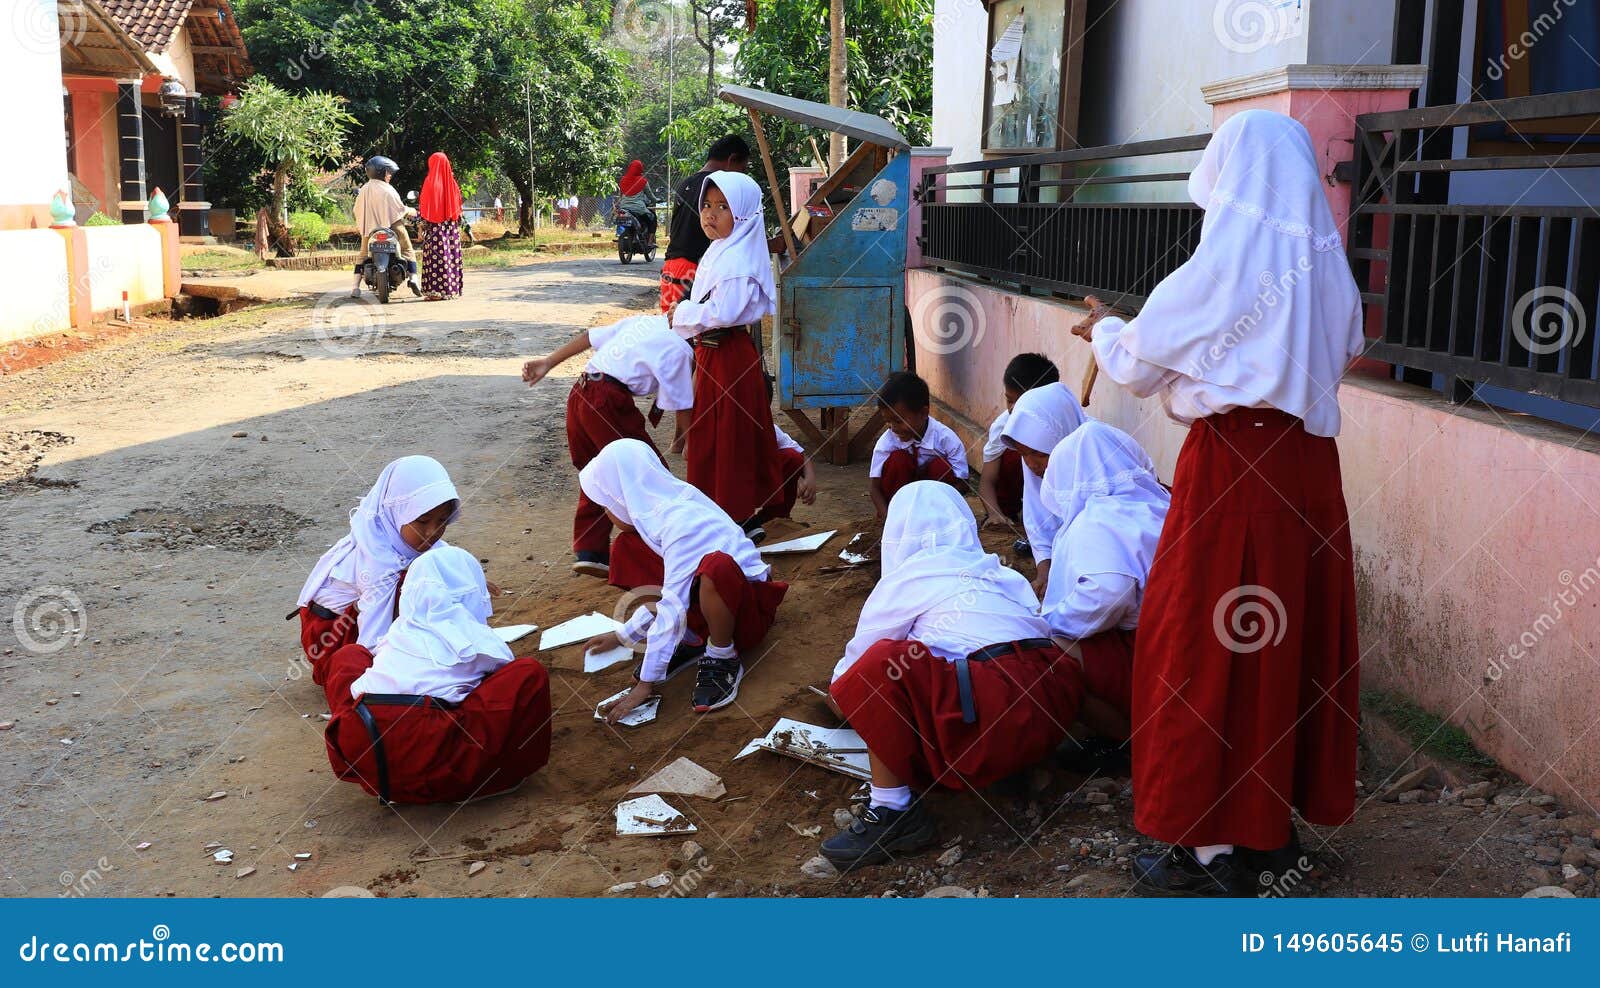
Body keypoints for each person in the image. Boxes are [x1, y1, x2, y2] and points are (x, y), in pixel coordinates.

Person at [1072, 110, 1366, 897]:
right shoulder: (1329, 269)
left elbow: (1137, 367)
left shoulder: (1217, 268)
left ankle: (1209, 847)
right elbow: (1340, 349)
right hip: (1307, 472)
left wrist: (1104, 331)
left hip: (1235, 469)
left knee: (1198, 644)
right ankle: (1267, 826)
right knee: (1281, 643)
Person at [821, 482, 1083, 870]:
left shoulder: (906, 581)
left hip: (990, 716)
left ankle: (892, 809)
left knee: (878, 667)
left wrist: (853, 708)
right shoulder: (999, 572)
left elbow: (851, 678)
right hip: (1051, 705)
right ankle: (1018, 768)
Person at [320, 545, 551, 805]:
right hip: (436, 757)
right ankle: (497, 777)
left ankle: (397, 783)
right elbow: (504, 679)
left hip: (371, 752)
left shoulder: (395, 634)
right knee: (528, 673)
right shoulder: (478, 641)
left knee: (348, 656)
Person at [577, 440, 787, 717]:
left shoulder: (681, 523)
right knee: (627, 548)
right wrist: (624, 634)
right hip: (704, 603)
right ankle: (692, 640)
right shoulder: (658, 514)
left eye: (606, 504)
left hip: (746, 614)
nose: (607, 513)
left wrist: (645, 684)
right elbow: (667, 592)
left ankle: (722, 654)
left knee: (716, 567)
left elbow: (673, 604)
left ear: (623, 495)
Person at [520, 314, 695, 580]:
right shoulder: (681, 350)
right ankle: (659, 550)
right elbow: (682, 407)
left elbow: (588, 337)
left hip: (580, 391)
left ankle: (590, 552)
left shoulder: (647, 322)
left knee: (596, 472)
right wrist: (691, 446)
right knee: (648, 473)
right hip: (608, 402)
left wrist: (548, 362)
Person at [1038, 421, 1170, 745]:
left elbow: (1110, 593)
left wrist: (1051, 623)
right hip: (1184, 641)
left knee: (1047, 653)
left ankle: (1133, 743)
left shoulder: (1098, 520)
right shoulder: (1161, 504)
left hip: (1147, 651)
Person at [668, 170, 783, 538]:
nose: (709, 214)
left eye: (722, 207)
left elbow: (725, 312)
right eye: (706, 205)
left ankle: (736, 517)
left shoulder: (737, 262)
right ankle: (722, 513)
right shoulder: (720, 251)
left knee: (729, 436)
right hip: (713, 354)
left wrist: (681, 314)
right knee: (711, 435)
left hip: (729, 355)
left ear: (745, 215)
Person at [292, 456, 460, 678]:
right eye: (422, 521)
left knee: (434, 571)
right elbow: (371, 640)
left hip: (356, 626)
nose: (431, 532)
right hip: (333, 641)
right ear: (396, 512)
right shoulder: (378, 562)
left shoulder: (402, 539)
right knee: (414, 580)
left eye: (442, 522)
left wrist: (466, 580)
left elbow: (445, 558)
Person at [1000, 381, 1088, 596]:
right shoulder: (1034, 448)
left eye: (1039, 455)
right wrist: (1045, 572)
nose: (1030, 464)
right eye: (1023, 454)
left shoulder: (1095, 454)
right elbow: (1039, 518)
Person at [661, 135, 751, 312]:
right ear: (732, 159)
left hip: (671, 268)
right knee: (693, 332)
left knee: (673, 331)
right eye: (742, 169)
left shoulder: (686, 183)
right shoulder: (716, 186)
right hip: (694, 269)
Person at [868, 370, 969, 519]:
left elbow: (963, 484)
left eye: (898, 421)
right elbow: (874, 488)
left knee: (941, 467)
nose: (893, 428)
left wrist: (941, 505)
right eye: (888, 421)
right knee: (898, 460)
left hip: (934, 507)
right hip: (899, 509)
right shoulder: (887, 441)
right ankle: (900, 516)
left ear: (923, 413)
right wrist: (889, 520)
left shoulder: (946, 439)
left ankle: (936, 518)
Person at [977, 353, 1059, 536]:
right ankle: (1011, 513)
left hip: (1056, 498)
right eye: (1009, 399)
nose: (1013, 408)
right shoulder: (1003, 425)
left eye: (1021, 401)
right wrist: (995, 513)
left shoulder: (1063, 423)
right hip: (1017, 500)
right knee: (1012, 456)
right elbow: (987, 480)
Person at [351, 155, 420, 299]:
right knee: (407, 250)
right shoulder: (388, 189)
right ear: (381, 172)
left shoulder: (364, 189)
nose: (390, 175)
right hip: (392, 228)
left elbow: (356, 210)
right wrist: (411, 211)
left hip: (370, 231)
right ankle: (413, 278)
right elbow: (399, 209)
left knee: (363, 255)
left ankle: (355, 287)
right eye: (388, 172)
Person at [418, 152, 464, 301]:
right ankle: (451, 290)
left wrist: (421, 228)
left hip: (435, 229)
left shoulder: (430, 183)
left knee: (437, 259)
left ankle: (435, 292)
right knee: (450, 257)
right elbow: (458, 210)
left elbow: (425, 209)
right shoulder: (453, 185)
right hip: (451, 229)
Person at [752, 423, 816, 527]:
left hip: (757, 483)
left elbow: (798, 453)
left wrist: (809, 478)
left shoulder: (763, 423)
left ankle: (775, 518)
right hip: (731, 490)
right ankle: (738, 522)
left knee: (792, 458)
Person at [617, 159, 657, 243]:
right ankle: (650, 242)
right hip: (639, 209)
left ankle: (621, 235)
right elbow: (650, 196)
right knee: (652, 219)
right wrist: (655, 200)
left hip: (624, 208)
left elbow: (621, 195)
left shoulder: (623, 180)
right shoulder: (643, 181)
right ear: (640, 169)